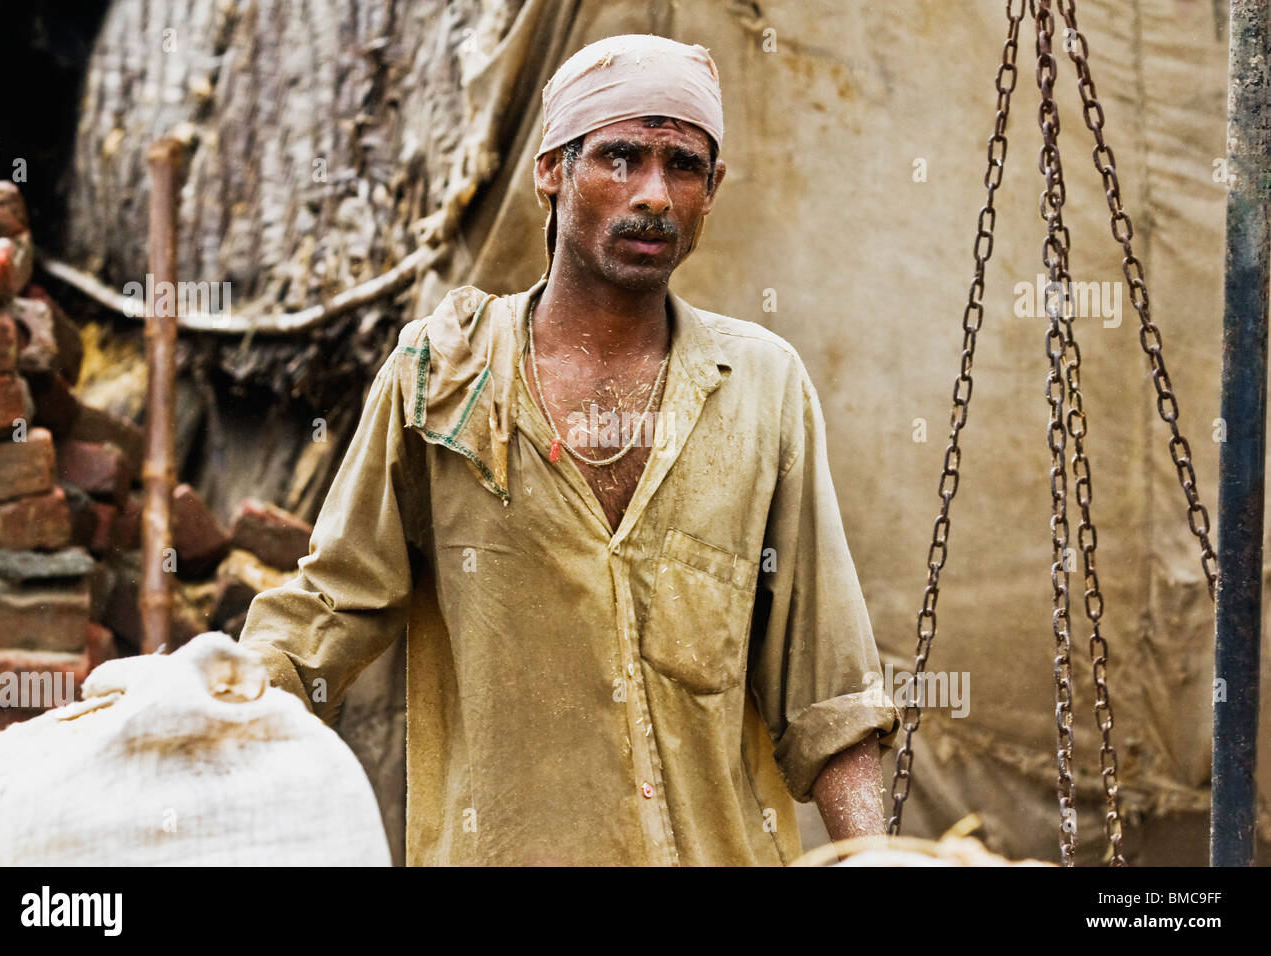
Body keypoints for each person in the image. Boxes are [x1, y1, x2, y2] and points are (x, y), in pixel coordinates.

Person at [240, 32, 899, 866]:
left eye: (683, 166)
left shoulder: (763, 388)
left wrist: (877, 857)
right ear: (550, 170)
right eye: (621, 157)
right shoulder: (443, 378)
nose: (654, 195)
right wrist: (207, 704)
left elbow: (829, 691)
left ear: (714, 187)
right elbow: (332, 607)